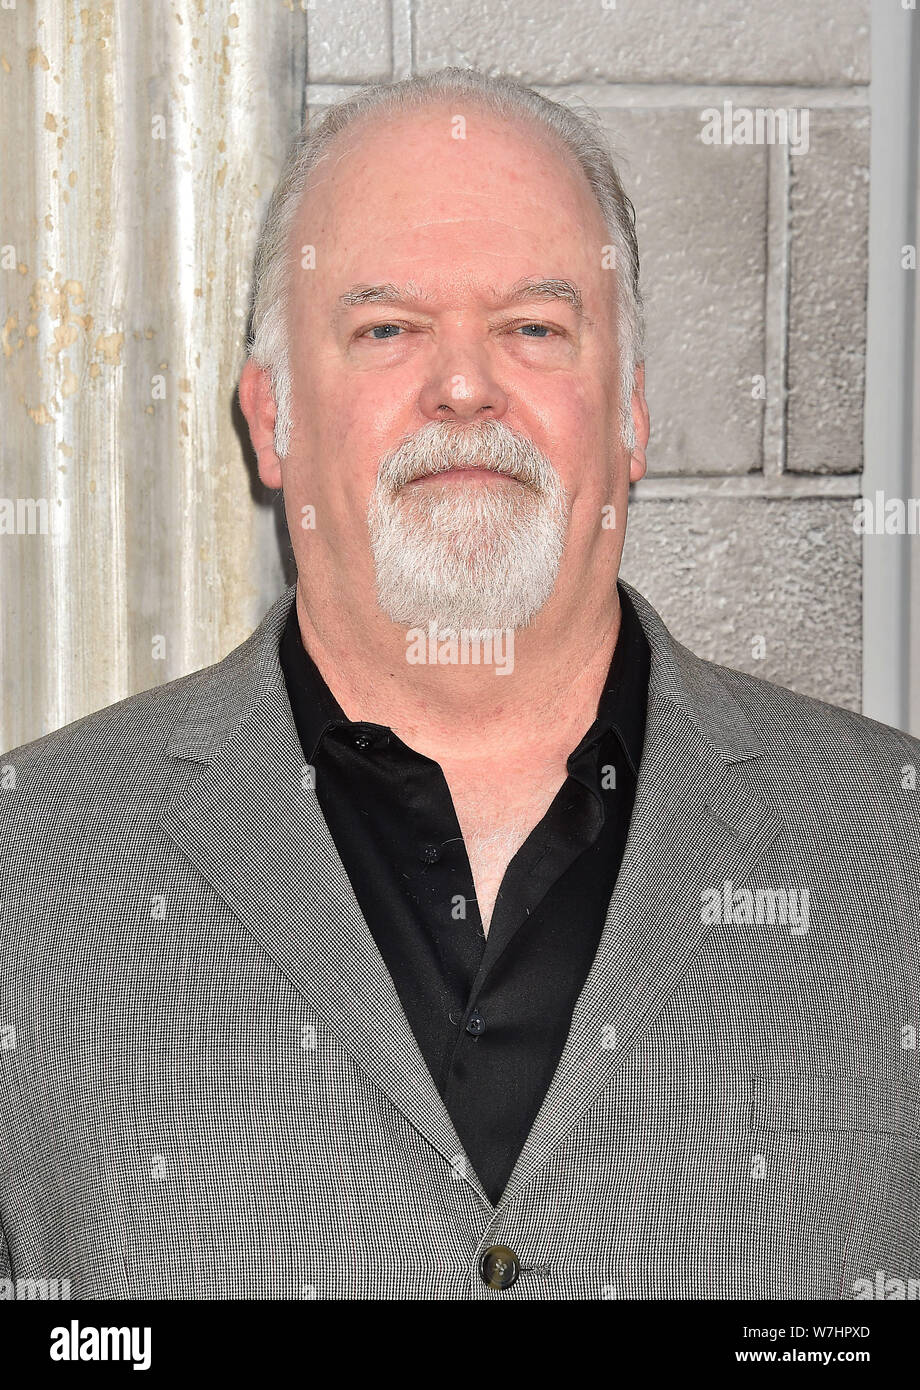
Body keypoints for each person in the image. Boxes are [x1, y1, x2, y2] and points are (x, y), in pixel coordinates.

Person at [1, 68, 917, 1301]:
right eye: (386, 329)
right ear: (270, 418)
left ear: (632, 409)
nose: (465, 385)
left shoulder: (895, 850)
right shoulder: (22, 872)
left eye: (533, 327)